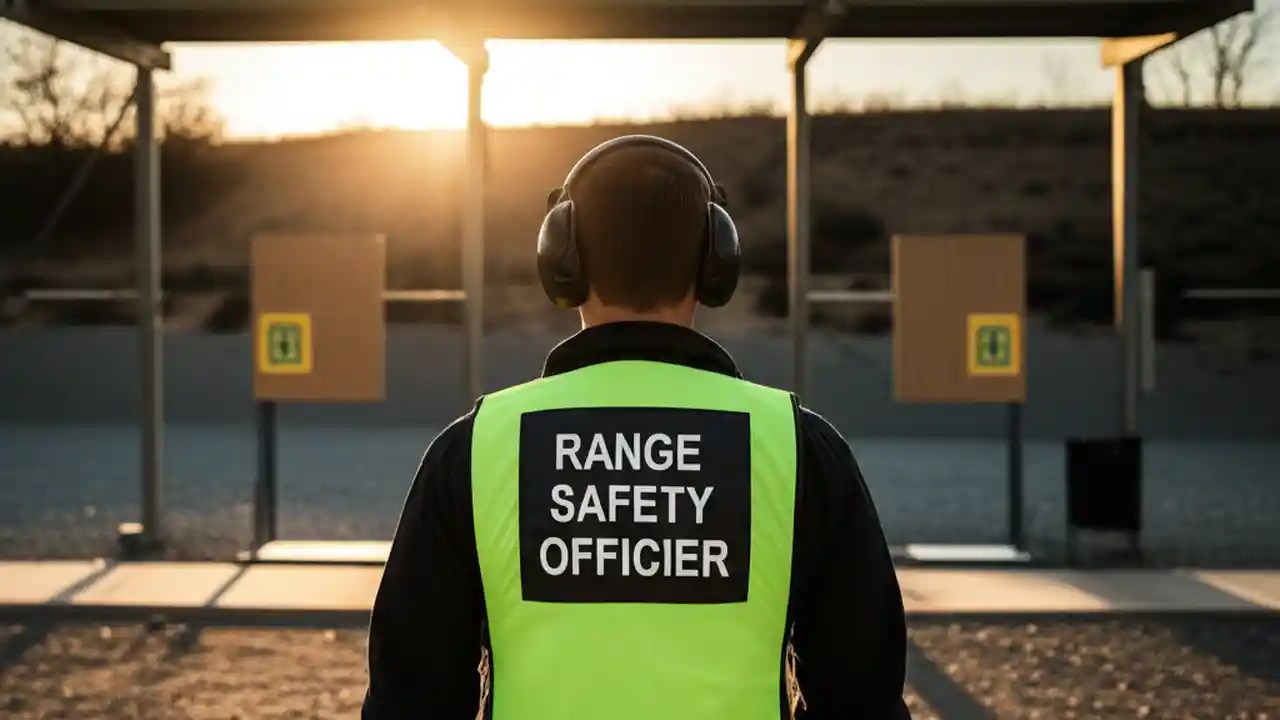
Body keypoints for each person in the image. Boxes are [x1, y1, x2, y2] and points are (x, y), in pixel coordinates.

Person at [362, 135, 911, 719]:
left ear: (561, 259)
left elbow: (410, 698)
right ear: (715, 263)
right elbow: (862, 696)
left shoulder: (475, 448)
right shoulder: (800, 448)